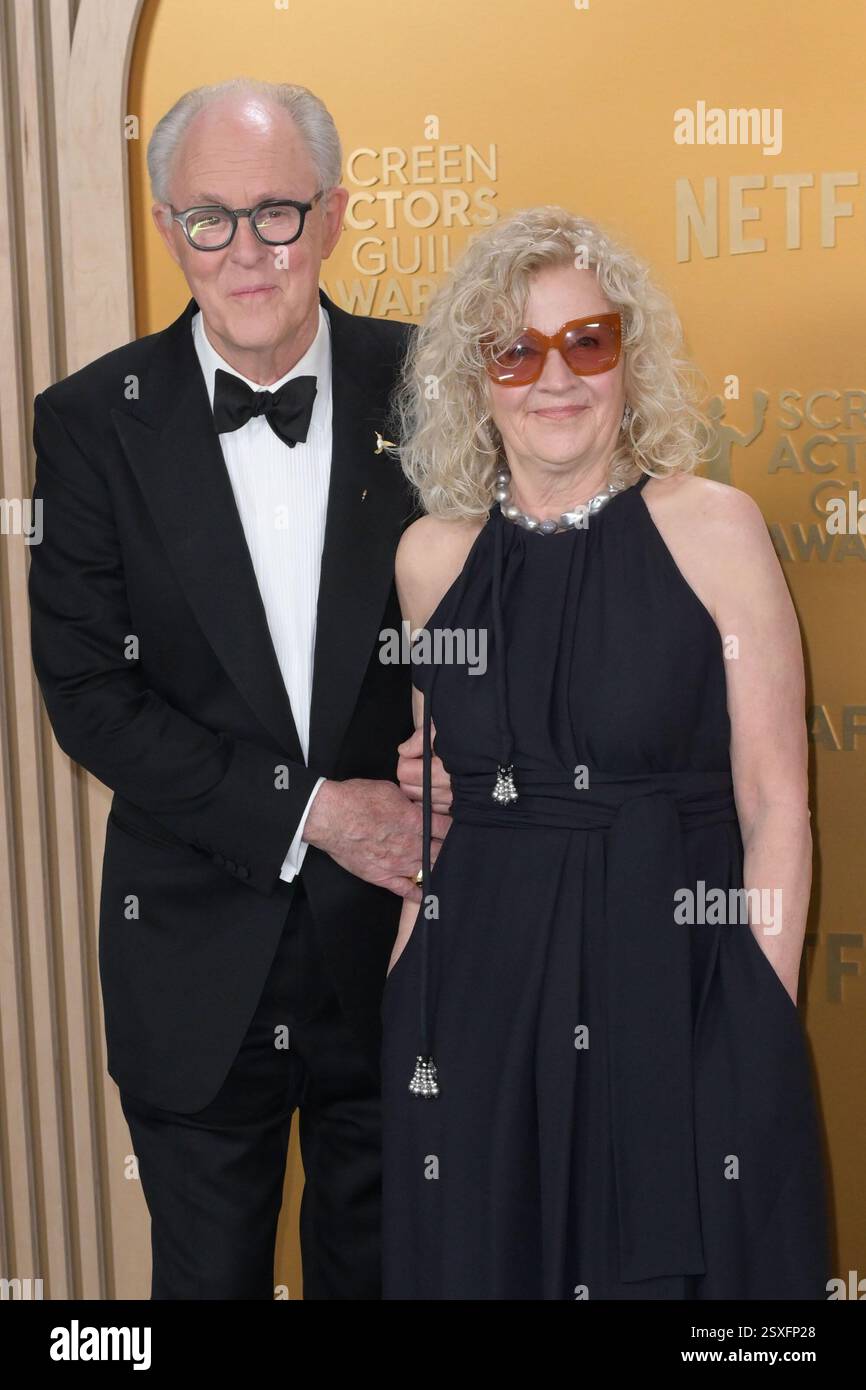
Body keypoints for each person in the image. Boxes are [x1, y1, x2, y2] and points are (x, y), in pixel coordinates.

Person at [27, 77, 451, 1300]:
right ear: (167, 227)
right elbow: (87, 697)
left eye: (275, 212)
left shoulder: (432, 384)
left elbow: (496, 623)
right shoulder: (88, 422)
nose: (244, 249)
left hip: (402, 939)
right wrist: (316, 809)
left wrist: (461, 754)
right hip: (194, 956)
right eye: (208, 217)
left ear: (330, 216)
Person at [381, 206, 830, 1299]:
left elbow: (775, 803)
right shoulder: (429, 560)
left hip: (676, 984)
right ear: (474, 375)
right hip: (473, 999)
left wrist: (753, 1021)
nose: (554, 378)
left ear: (627, 357)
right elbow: (435, 802)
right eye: (514, 349)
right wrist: (405, 982)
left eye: (585, 341)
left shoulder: (712, 527)